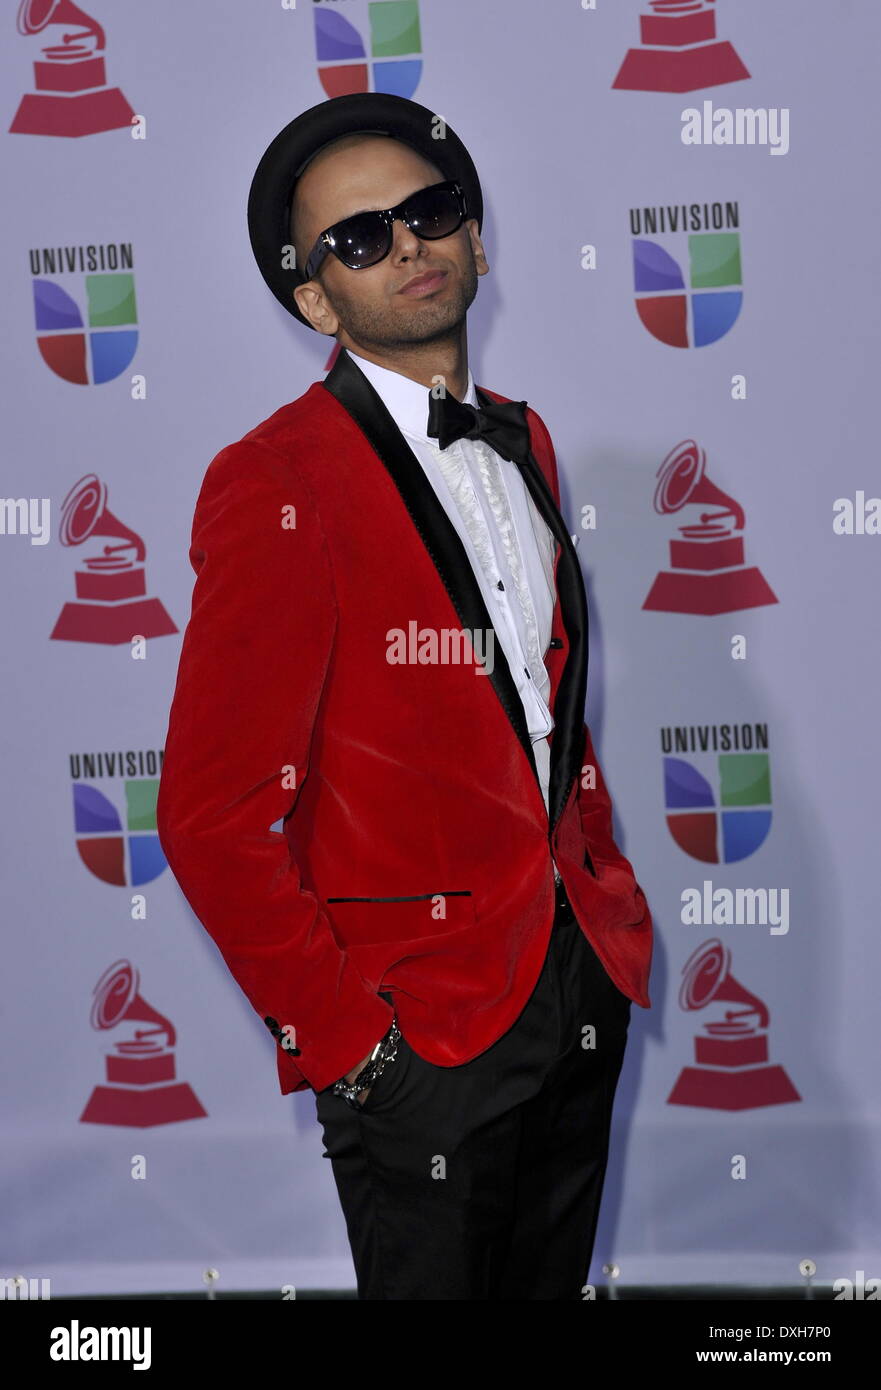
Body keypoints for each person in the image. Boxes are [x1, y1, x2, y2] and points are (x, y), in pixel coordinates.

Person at [156, 93, 653, 1301]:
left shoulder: (522, 442)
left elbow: (535, 718)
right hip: (418, 1034)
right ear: (315, 299)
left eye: (428, 212)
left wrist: (594, 921)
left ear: (476, 237)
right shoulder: (275, 481)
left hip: (568, 984)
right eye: (360, 237)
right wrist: (355, 1052)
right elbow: (210, 818)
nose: (409, 244)